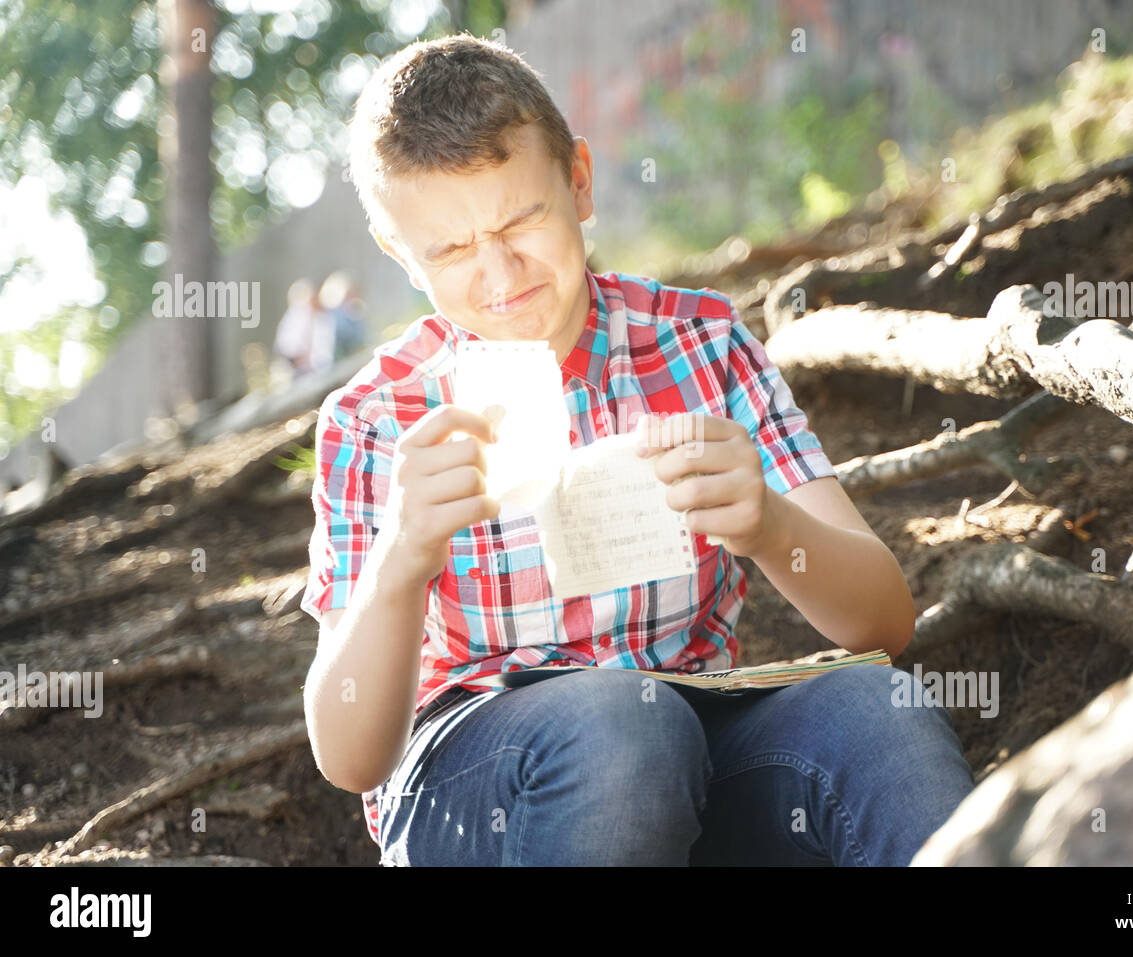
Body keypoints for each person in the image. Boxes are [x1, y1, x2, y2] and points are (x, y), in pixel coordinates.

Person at [300, 32, 975, 866]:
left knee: (879, 709)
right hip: (479, 785)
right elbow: (347, 755)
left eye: (522, 218)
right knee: (626, 725)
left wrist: (766, 523)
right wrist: (402, 558)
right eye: (451, 250)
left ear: (578, 182)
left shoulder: (702, 343)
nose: (500, 271)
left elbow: (883, 622)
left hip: (692, 745)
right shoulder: (375, 417)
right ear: (402, 255)